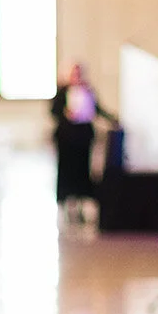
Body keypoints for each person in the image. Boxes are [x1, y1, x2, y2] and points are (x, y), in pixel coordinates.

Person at [51, 60, 113, 229]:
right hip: (67, 139)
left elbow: (98, 109)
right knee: (66, 172)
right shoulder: (63, 92)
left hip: (82, 138)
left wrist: (113, 119)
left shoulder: (88, 91)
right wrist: (66, 114)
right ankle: (66, 204)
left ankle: (79, 204)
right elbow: (53, 112)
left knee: (81, 172)